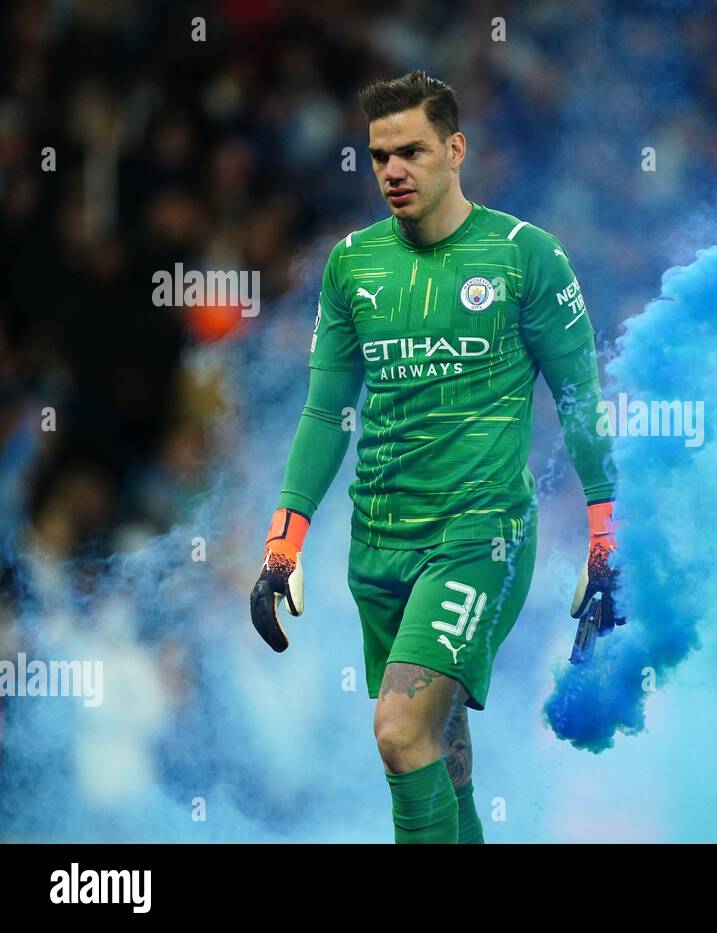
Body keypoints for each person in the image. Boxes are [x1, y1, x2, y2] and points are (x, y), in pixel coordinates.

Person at [248, 70, 623, 844]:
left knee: (397, 731)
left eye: (412, 152)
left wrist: (605, 534)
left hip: (479, 537)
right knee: (441, 755)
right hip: (378, 542)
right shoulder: (352, 264)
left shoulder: (527, 256)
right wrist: (285, 542)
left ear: (456, 150)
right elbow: (326, 412)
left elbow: (581, 399)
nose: (392, 170)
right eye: (380, 154)